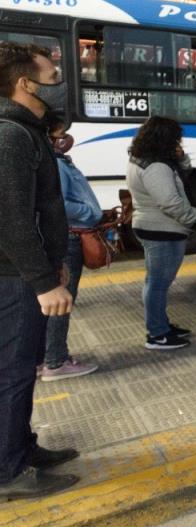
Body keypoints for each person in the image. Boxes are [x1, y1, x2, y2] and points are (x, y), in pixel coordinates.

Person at [0, 42, 80, 500]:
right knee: (11, 372)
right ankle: (7, 472)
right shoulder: (9, 134)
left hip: (22, 275)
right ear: (24, 83)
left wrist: (55, 265)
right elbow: (10, 219)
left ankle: (20, 448)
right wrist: (43, 281)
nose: (60, 85)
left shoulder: (25, 130)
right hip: (12, 279)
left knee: (20, 369)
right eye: (52, 77)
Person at [127, 116, 196, 351]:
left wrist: (182, 157)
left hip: (153, 227)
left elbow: (184, 172)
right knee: (158, 284)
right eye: (176, 138)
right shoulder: (156, 166)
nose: (180, 142)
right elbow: (169, 202)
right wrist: (193, 218)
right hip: (161, 230)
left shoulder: (144, 159)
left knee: (155, 282)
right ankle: (157, 334)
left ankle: (161, 325)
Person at [42, 114, 101, 381]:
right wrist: (90, 212)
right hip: (69, 238)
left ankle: (43, 358)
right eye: (59, 135)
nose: (65, 139)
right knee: (62, 302)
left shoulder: (54, 160)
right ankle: (55, 361)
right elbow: (60, 203)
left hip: (63, 236)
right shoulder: (54, 163)